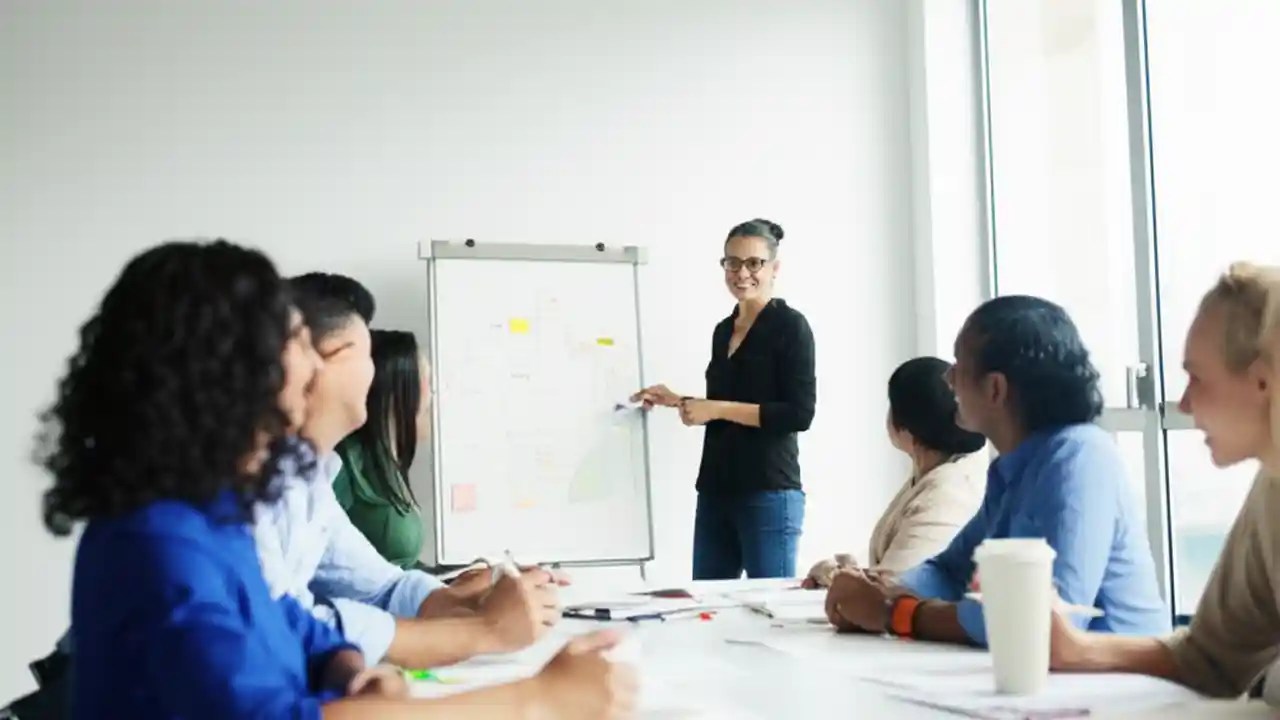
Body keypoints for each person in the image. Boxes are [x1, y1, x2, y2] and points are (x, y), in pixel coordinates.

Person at [40, 240, 636, 719]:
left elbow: (293, 624)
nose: (310, 364)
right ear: (223, 375)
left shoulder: (214, 514)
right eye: (292, 343)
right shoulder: (156, 543)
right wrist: (536, 702)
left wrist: (346, 668)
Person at [255, 272, 569, 671]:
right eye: (366, 354)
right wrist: (484, 631)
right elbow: (279, 635)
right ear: (324, 357)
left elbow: (384, 588)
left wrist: (468, 601)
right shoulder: (240, 489)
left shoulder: (311, 476)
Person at [824, 295, 1169, 645]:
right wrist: (882, 589)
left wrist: (895, 612)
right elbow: (949, 572)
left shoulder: (1080, 458)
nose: (948, 378)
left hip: (1119, 676)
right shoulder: (1011, 468)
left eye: (959, 365)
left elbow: (1043, 619)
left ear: (995, 389)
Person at [1049, 262, 1280, 701]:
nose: (1186, 404)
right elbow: (1212, 659)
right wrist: (1076, 649)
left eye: (1197, 378)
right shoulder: (1270, 489)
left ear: (1261, 382)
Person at [633, 218, 816, 580]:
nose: (741, 273)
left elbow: (798, 414)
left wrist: (714, 407)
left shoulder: (790, 326)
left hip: (768, 491)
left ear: (774, 268)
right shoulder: (723, 330)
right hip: (716, 490)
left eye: (754, 263)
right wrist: (679, 400)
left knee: (770, 605)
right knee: (707, 604)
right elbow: (730, 404)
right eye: (732, 262)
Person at [803, 357, 988, 587]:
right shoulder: (931, 474)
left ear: (906, 427)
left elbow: (897, 587)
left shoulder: (949, 492)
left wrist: (837, 577)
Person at [333, 329, 429, 568]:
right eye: (428, 381)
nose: (433, 396)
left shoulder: (388, 463)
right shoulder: (344, 464)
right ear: (397, 390)